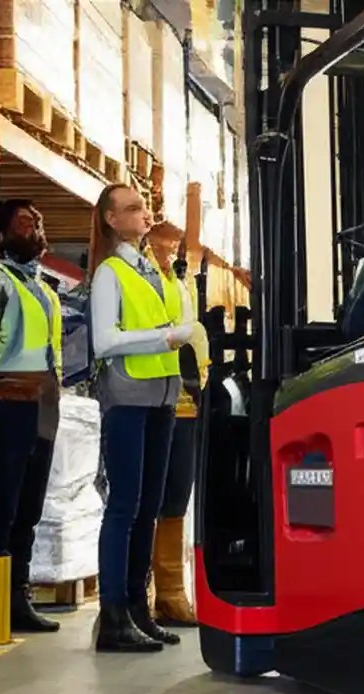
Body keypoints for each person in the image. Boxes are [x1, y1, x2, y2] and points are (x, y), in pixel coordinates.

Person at [88, 184, 193, 653]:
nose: (143, 213)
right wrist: (163, 339)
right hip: (129, 398)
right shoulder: (110, 273)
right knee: (125, 507)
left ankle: (137, 607)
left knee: (148, 508)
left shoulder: (150, 270)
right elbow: (105, 342)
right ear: (111, 219)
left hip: (162, 398)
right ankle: (112, 615)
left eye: (143, 206)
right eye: (131, 208)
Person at [0, 198, 63, 634]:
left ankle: (19, 595)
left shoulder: (44, 289)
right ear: (1, 235)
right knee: (3, 502)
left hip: (42, 404)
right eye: (23, 224)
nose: (34, 229)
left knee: (29, 508)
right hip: (7, 402)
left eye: (37, 222)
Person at [141, 221, 210, 627]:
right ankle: (150, 591)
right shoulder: (140, 277)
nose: (172, 250)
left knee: (176, 496)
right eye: (164, 242)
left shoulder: (177, 281)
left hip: (186, 396)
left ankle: (170, 593)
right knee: (150, 496)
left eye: (175, 244)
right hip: (152, 394)